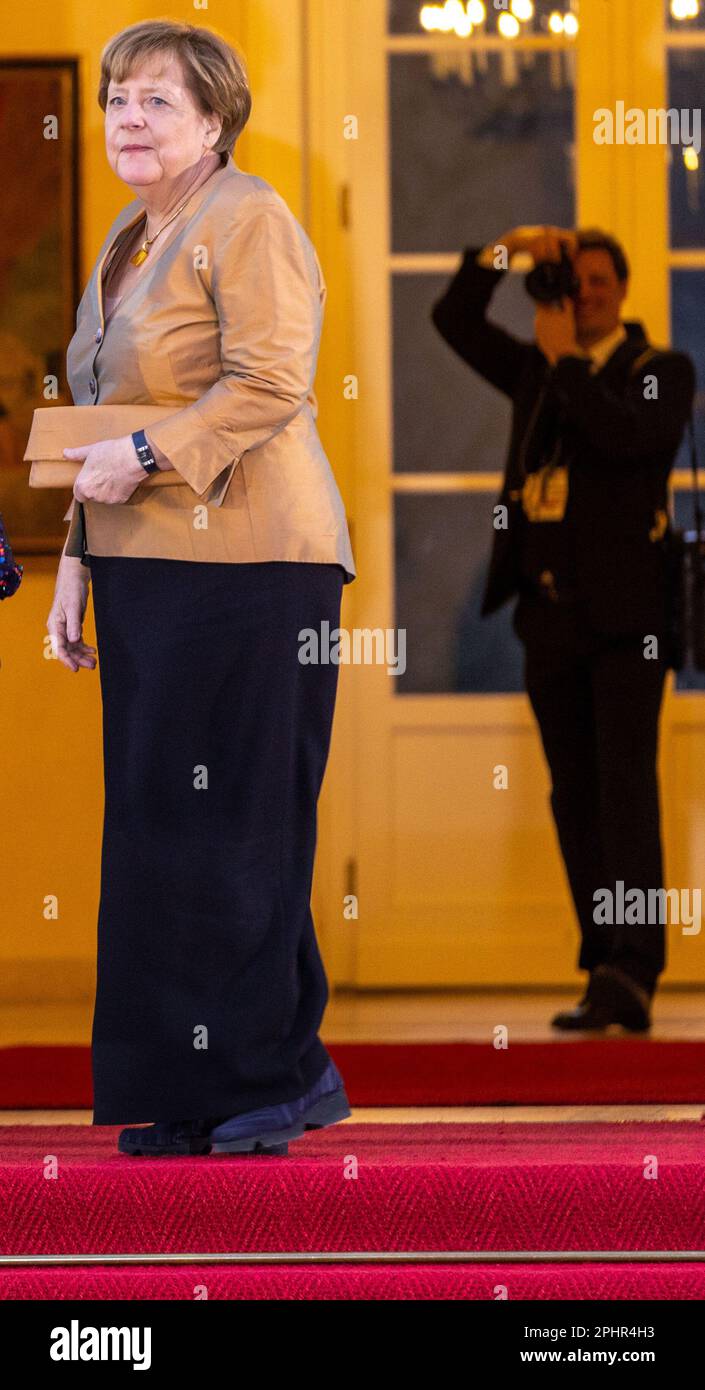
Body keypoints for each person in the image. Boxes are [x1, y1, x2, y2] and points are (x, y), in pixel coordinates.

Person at [44, 19, 356, 1157]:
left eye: (156, 102)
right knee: (163, 830)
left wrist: (148, 456)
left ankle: (267, 1075)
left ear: (214, 120)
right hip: (146, 568)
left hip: (256, 564)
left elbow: (271, 379)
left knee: (240, 823)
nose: (128, 118)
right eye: (118, 98)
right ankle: (192, 1086)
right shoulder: (132, 236)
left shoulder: (251, 217)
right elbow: (95, 425)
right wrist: (76, 561)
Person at [431, 225, 695, 1032]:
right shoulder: (534, 372)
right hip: (546, 617)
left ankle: (637, 967)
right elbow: (453, 320)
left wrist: (567, 362)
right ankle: (601, 960)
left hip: (626, 624)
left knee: (624, 792)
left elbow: (627, 439)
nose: (582, 294)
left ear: (619, 289)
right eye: (568, 281)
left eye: (595, 281)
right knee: (572, 795)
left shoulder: (660, 372)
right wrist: (503, 252)